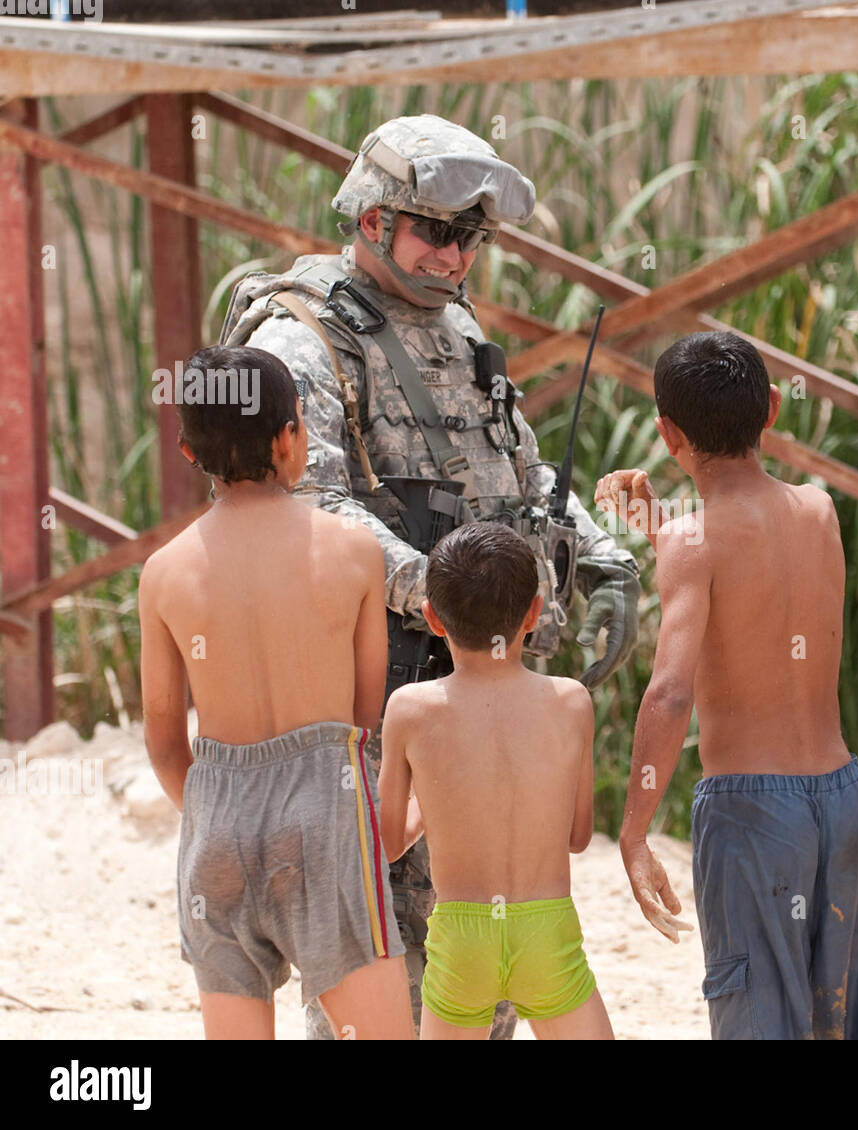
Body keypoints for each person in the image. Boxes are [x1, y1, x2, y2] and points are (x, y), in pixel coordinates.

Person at [219, 115, 640, 1040]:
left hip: (480, 674)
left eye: (472, 238)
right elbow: (309, 507)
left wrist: (602, 556)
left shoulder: (460, 333)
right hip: (375, 689)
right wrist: (444, 596)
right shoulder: (305, 338)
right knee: (373, 954)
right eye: (437, 231)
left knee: (476, 940)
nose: (456, 256)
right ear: (372, 221)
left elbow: (527, 478)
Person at [597, 331, 858, 1040]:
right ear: (773, 409)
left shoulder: (694, 542)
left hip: (755, 810)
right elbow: (745, 568)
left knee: (755, 1016)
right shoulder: (818, 509)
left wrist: (633, 832)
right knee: (835, 1019)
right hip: (840, 798)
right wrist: (659, 525)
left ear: (667, 434)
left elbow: (669, 692)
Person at [139, 345, 412, 1040]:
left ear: (187, 450)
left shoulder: (164, 573)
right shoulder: (353, 551)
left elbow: (166, 744)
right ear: (290, 436)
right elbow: (361, 715)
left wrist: (224, 810)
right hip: (323, 814)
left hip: (217, 829)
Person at [378, 522, 613, 1040]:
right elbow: (577, 837)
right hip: (545, 928)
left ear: (434, 618)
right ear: (534, 612)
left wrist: (430, 806)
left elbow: (389, 844)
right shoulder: (572, 701)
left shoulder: (410, 709)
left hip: (461, 936)